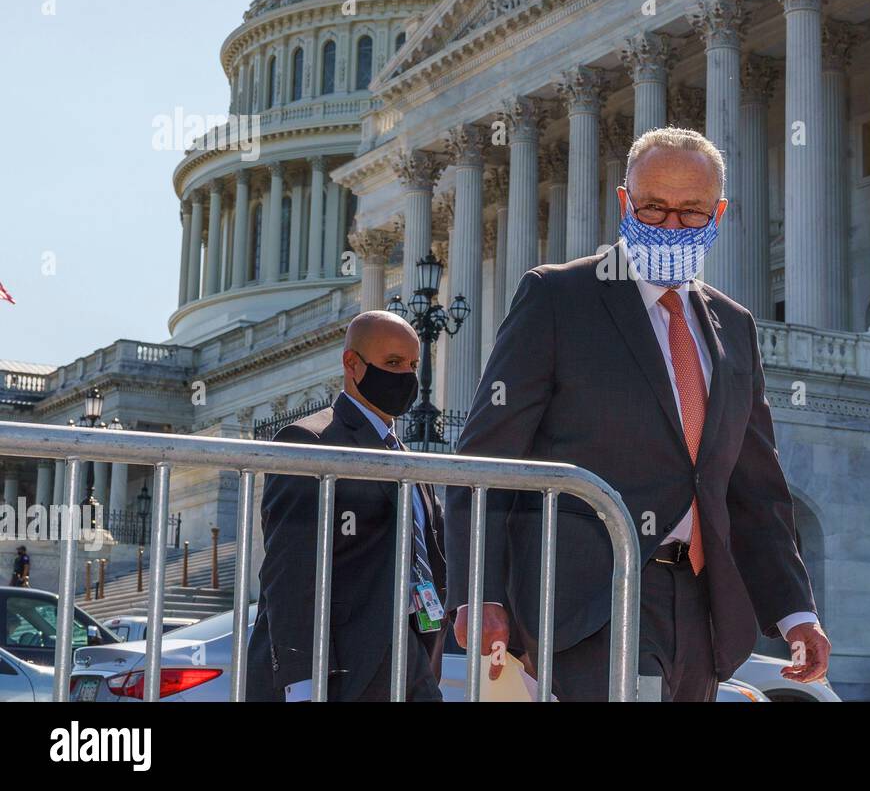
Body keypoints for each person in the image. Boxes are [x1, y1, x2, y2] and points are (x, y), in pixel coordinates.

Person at [447, 126, 831, 701]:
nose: (672, 226)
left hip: (700, 607)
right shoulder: (558, 298)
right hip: (588, 600)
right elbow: (488, 455)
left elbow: (756, 488)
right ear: (624, 202)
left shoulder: (735, 327)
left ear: (718, 213)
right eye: (654, 208)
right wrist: (480, 591)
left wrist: (795, 611)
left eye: (691, 212)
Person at [246, 310, 447, 702]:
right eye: (392, 363)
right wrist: (302, 685)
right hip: (339, 671)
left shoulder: (407, 457)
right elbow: (290, 573)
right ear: (351, 364)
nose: (406, 377)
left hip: (409, 664)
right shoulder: (312, 441)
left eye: (412, 365)